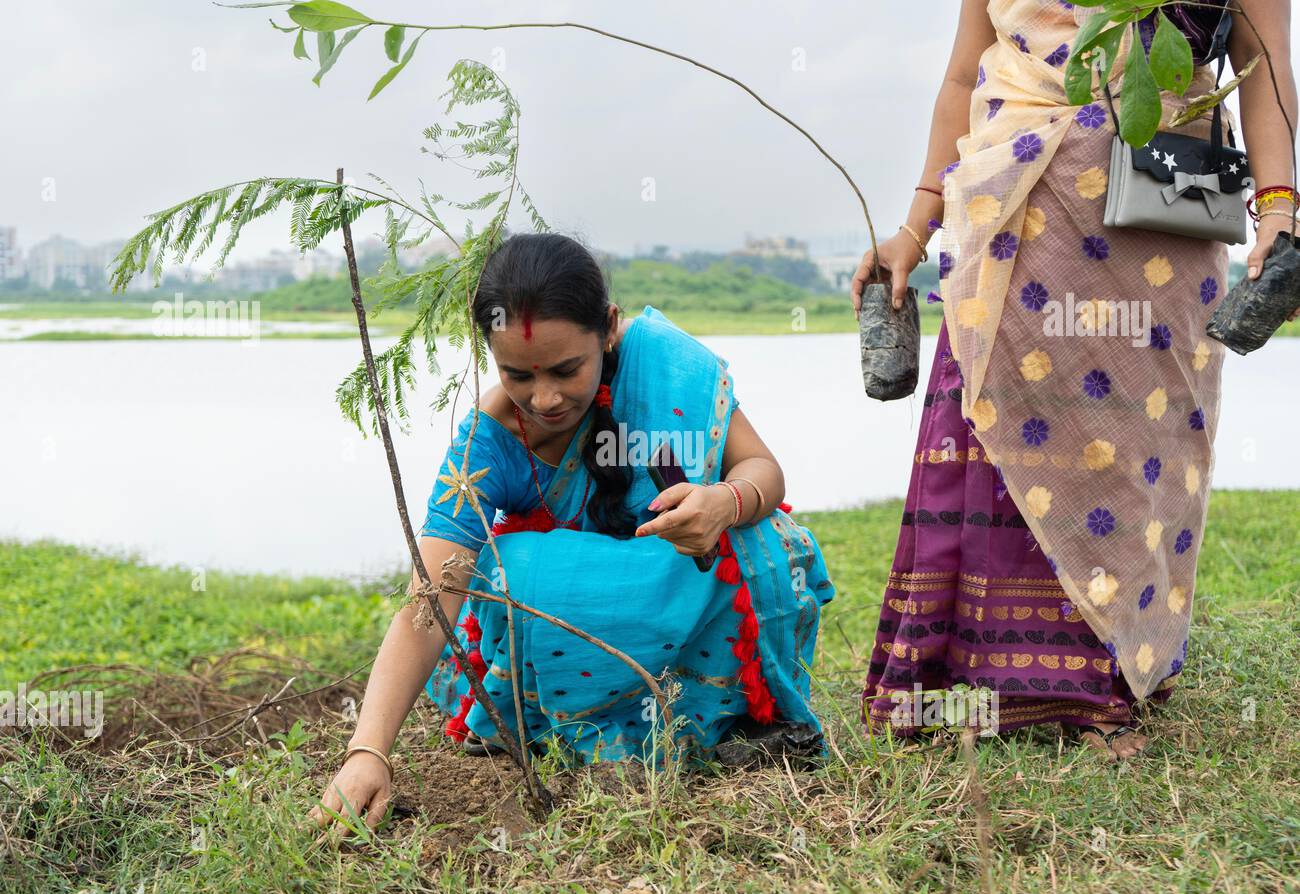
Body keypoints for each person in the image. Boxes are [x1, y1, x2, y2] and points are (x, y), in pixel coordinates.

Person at [851, 0, 1298, 760]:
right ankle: (959, 679)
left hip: (1157, 210)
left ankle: (1101, 686)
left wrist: (1280, 212)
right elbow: (965, 71)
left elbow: (1266, 71)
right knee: (994, 428)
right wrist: (914, 228)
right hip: (1007, 210)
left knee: (1132, 446)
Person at [311, 232, 835, 835]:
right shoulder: (489, 446)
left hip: (680, 587)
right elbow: (432, 598)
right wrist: (367, 752)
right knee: (508, 575)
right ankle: (560, 723)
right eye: (517, 375)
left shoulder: (663, 365)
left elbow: (763, 470)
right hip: (574, 618)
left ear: (608, 328)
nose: (546, 398)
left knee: (773, 541)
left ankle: (737, 719)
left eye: (567, 369)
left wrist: (723, 500)